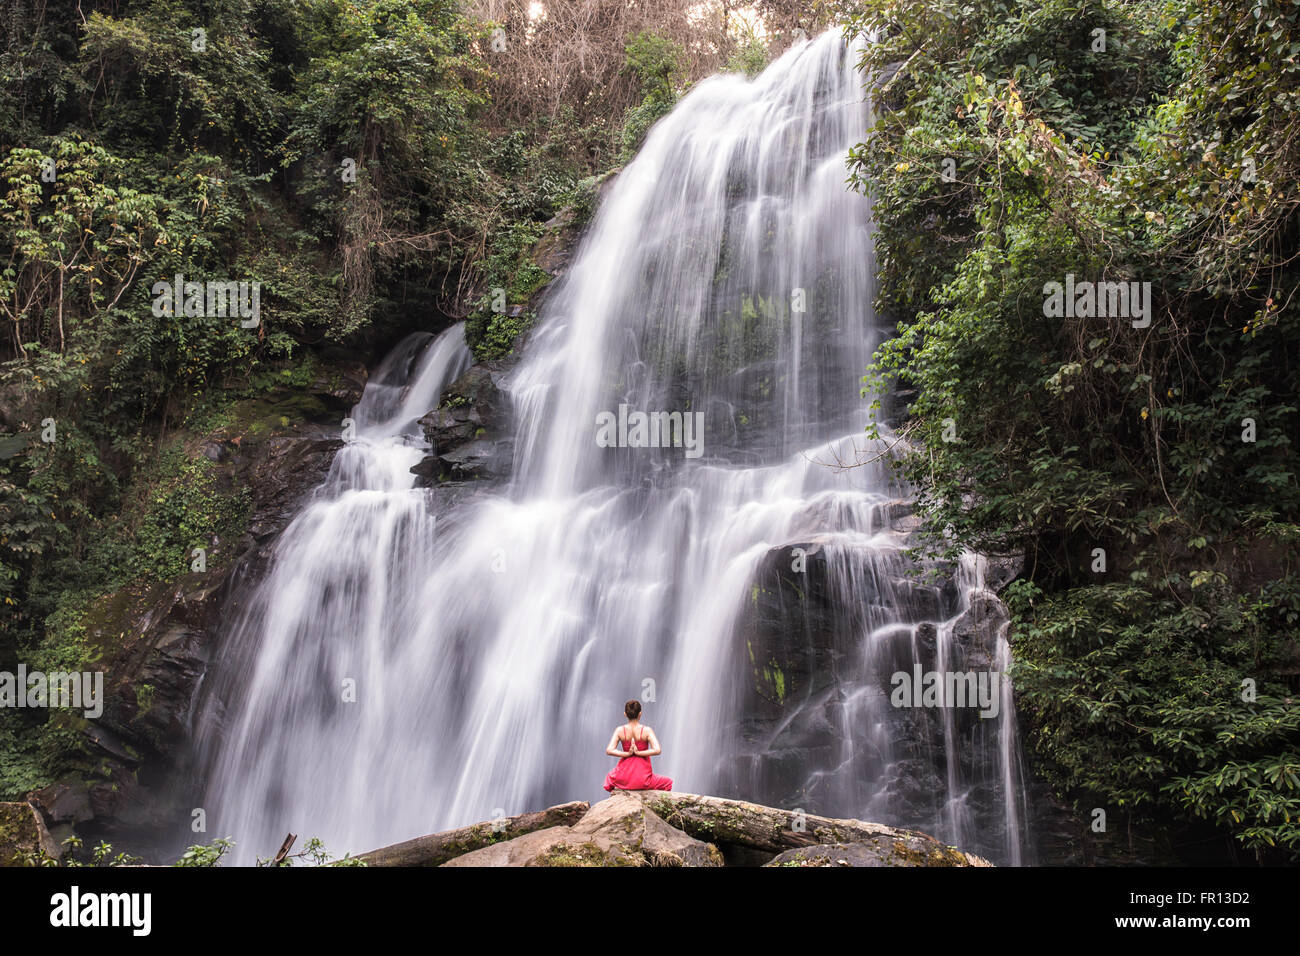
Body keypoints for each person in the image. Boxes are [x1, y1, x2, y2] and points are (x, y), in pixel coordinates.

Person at [603, 699, 673, 792]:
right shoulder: (647, 730)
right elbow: (657, 750)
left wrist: (628, 754)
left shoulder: (620, 730)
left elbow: (609, 750)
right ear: (640, 714)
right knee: (668, 782)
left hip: (624, 777)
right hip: (643, 778)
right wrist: (639, 753)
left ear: (625, 714)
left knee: (610, 777)